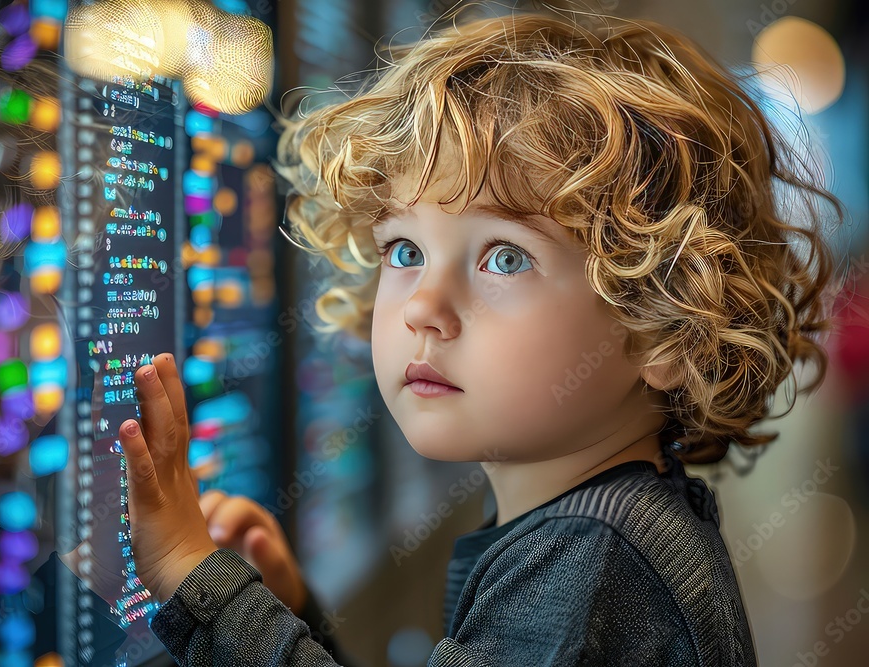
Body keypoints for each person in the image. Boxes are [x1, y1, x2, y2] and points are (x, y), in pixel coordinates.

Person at [114, 8, 843, 666]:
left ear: (664, 326)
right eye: (405, 250)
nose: (424, 307)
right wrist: (288, 614)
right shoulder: (600, 527)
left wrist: (193, 578)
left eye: (504, 257)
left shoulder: (588, 563)